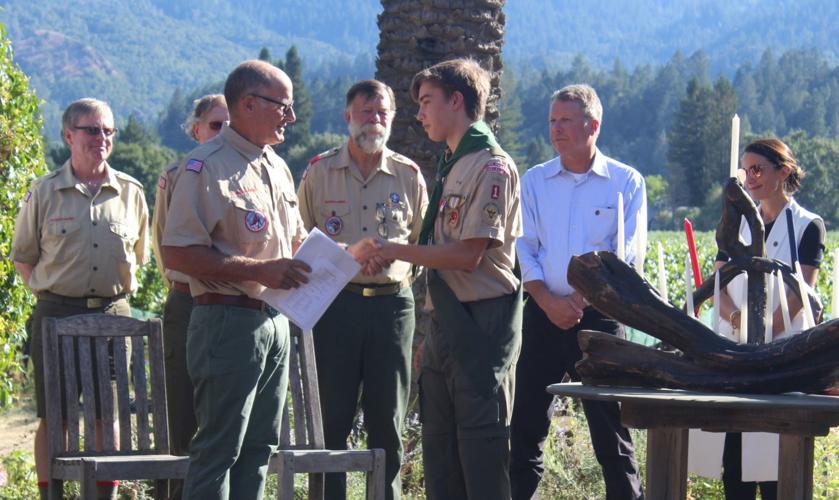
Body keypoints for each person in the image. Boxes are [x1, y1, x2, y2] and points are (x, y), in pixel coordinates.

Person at [161, 60, 375, 500]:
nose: (292, 118)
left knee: (260, 449)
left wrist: (343, 260)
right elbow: (178, 252)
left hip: (276, 322)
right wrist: (258, 271)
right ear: (249, 104)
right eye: (284, 107)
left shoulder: (276, 166)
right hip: (225, 322)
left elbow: (293, 243)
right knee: (219, 450)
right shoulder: (204, 167)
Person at [372, 58, 523, 499]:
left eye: (426, 102)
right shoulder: (451, 165)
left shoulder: (491, 167)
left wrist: (393, 250)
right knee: (441, 457)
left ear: (457, 101)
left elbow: (467, 254)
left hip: (482, 323)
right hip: (446, 321)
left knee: (481, 456)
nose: (419, 114)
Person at [511, 84, 645, 500]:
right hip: (541, 314)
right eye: (552, 120)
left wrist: (581, 301)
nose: (556, 129)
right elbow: (524, 248)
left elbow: (626, 257)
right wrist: (549, 302)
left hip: (601, 321)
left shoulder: (626, 182)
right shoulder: (534, 181)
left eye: (566, 120)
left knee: (611, 433)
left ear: (593, 125)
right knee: (525, 428)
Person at [11, 98, 149, 500]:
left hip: (113, 313)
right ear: (69, 135)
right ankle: (50, 494)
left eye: (108, 130)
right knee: (57, 417)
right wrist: (50, 293)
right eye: (91, 130)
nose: (101, 138)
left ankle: (102, 496)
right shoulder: (44, 191)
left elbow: (139, 256)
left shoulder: (131, 192)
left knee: (109, 413)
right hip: (57, 312)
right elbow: (24, 257)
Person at [296, 79, 428, 500]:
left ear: (392, 119)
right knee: (331, 419)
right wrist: (348, 256)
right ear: (347, 117)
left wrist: (391, 256)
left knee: (386, 421)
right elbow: (299, 238)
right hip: (336, 306)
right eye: (365, 112)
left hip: (392, 309)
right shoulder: (319, 172)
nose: (374, 120)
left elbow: (423, 244)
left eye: (382, 113)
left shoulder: (408, 175)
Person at [715, 138, 825, 500]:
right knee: (736, 469)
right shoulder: (736, 222)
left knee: (779, 471)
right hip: (737, 357)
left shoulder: (808, 225)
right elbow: (719, 282)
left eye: (758, 169)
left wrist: (763, 338)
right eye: (744, 170)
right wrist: (737, 322)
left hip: (784, 361)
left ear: (784, 171)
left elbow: (800, 294)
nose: (749, 177)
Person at [151, 93, 228, 500]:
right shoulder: (176, 175)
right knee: (182, 416)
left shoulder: (243, 173)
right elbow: (165, 244)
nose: (224, 133)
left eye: (230, 126)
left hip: (233, 307)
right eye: (216, 125)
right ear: (196, 129)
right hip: (187, 302)